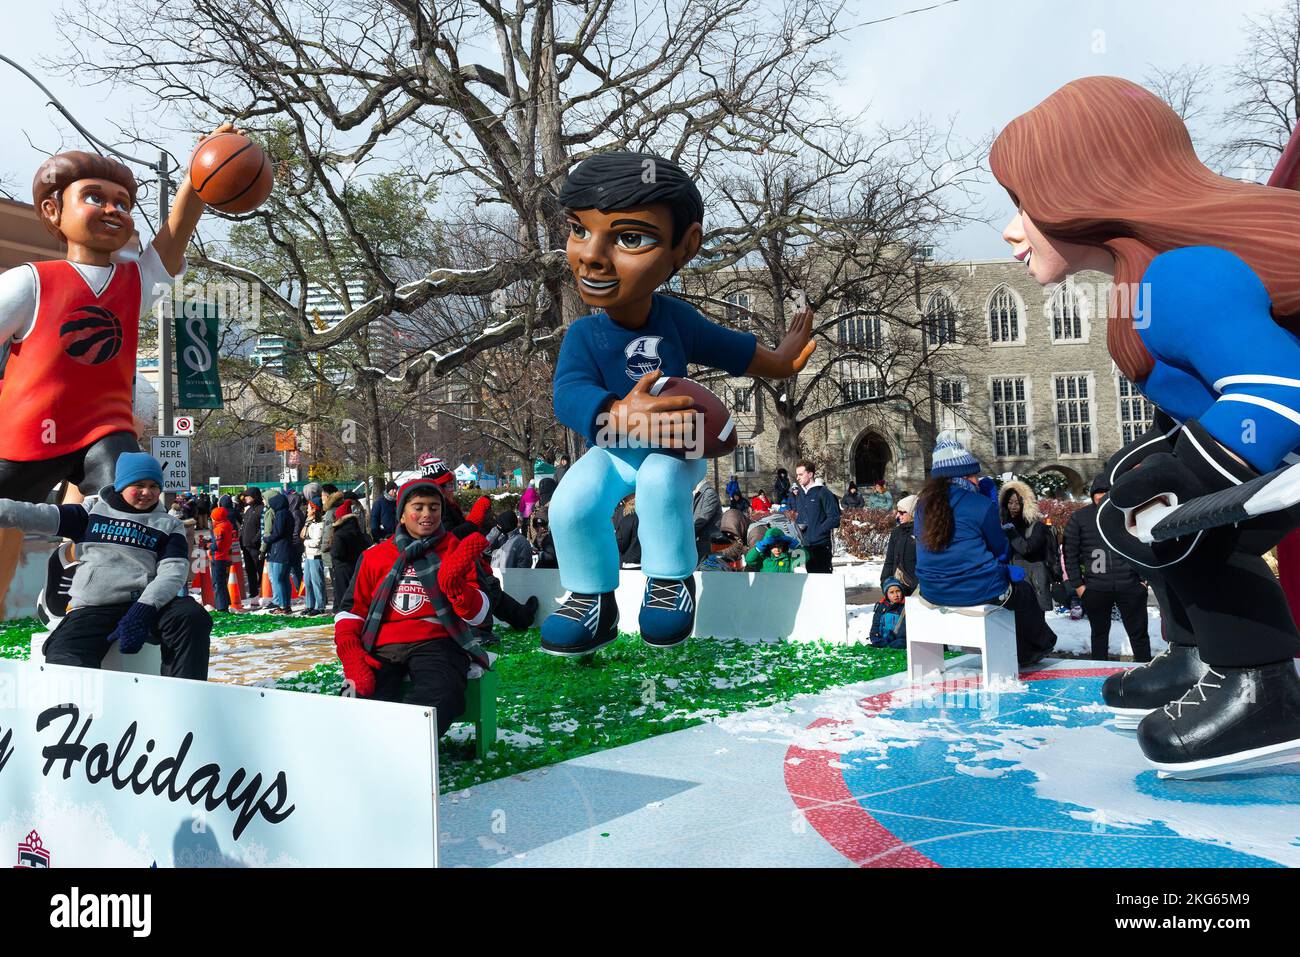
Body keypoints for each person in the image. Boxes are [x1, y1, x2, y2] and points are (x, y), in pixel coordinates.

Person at [992, 75, 1300, 775]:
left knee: (1180, 514)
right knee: (1140, 492)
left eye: (1024, 204)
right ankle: (1199, 656)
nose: (1012, 230)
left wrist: (1197, 474)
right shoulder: (1146, 287)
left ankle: (1261, 684)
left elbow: (1281, 387)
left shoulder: (1179, 281)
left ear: (1080, 190)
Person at [541, 150, 815, 655]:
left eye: (629, 237)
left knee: (659, 480)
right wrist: (615, 413)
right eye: (580, 230)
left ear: (683, 248)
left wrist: (780, 360)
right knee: (572, 502)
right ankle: (591, 598)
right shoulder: (583, 333)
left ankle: (670, 581)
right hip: (615, 444)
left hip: (675, 442)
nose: (593, 255)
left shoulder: (677, 319)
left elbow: (732, 348)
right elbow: (568, 393)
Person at [0, 129, 231, 619]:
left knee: (130, 509)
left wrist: (198, 176)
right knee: (4, 525)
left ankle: (89, 593)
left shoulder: (135, 280)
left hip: (104, 429)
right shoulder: (30, 281)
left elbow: (175, 233)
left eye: (123, 203)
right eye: (94, 197)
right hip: (25, 434)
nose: (112, 209)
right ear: (52, 212)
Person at [0, 452, 209, 678]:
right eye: (138, 484)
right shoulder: (89, 513)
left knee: (191, 616)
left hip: (146, 604)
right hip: (94, 607)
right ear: (121, 485)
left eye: (154, 486)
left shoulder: (169, 524)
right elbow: (32, 514)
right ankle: (77, 709)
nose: (147, 492)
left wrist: (144, 609)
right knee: (64, 652)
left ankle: (181, 694)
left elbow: (173, 572)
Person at [334, 478, 493, 736]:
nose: (427, 514)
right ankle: (365, 754)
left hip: (437, 641)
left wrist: (457, 588)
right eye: (418, 507)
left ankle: (406, 747)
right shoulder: (375, 556)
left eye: (433, 507)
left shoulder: (456, 550)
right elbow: (352, 610)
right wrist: (350, 651)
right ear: (402, 513)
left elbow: (482, 616)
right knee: (356, 698)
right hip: (382, 644)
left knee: (442, 694)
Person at [912, 433, 1056, 666]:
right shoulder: (979, 504)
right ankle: (1036, 649)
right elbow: (1001, 549)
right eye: (973, 475)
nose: (977, 480)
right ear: (962, 477)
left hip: (932, 589)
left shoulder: (921, 506)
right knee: (1024, 594)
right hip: (977, 589)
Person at [1062, 474, 1151, 663]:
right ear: (1093, 494)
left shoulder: (1127, 514)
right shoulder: (1080, 518)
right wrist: (1079, 586)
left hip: (1130, 585)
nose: (1102, 496)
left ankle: (1145, 668)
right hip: (1096, 587)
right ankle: (1098, 673)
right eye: (1098, 492)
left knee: (1139, 634)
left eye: (1106, 492)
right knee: (1099, 635)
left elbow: (1144, 545)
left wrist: (1143, 580)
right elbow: (1070, 554)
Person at [998, 479, 1058, 613]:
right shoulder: (1001, 524)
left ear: (1026, 503)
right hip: (1010, 578)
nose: (1013, 506)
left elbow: (1028, 549)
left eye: (1017, 503)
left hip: (1033, 579)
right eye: (1010, 502)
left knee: (1035, 621)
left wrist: (1011, 533)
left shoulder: (1036, 526)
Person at [790, 460, 840, 574]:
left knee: (823, 581)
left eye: (801, 474)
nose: (797, 478)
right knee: (812, 579)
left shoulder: (823, 492)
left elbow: (834, 518)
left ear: (810, 474)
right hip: (807, 545)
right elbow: (802, 517)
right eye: (797, 475)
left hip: (821, 545)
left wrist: (818, 531)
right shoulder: (800, 494)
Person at [329, 497, 369, 612]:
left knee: (342, 596)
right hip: (355, 567)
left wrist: (331, 550)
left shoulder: (340, 534)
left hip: (342, 569)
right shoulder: (358, 532)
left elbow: (337, 553)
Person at [262, 491, 295, 614]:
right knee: (284, 579)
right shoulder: (288, 513)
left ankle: (282, 606)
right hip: (286, 549)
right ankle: (286, 604)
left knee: (278, 579)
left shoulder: (281, 514)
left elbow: (278, 533)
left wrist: (267, 539)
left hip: (279, 550)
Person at [880, 494, 918, 595]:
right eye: (897, 512)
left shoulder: (922, 533)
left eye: (902, 513)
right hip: (897, 588)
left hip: (917, 589)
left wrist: (917, 585)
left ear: (912, 513)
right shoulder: (896, 532)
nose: (897, 516)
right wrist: (885, 582)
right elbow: (890, 560)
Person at [300, 498, 328, 616]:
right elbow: (302, 535)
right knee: (307, 581)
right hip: (308, 555)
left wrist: (306, 543)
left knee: (317, 581)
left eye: (310, 508)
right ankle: (310, 604)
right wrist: (307, 523)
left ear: (315, 509)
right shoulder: (310, 522)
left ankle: (320, 605)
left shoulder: (320, 524)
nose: (307, 510)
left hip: (316, 555)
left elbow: (316, 542)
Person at [238, 487, 265, 602]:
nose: (245, 498)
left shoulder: (261, 509)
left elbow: (262, 528)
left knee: (260, 569)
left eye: (248, 496)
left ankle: (264, 591)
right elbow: (244, 526)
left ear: (254, 496)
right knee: (250, 570)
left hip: (255, 546)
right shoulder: (248, 510)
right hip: (246, 545)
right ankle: (253, 591)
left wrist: (255, 540)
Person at [209, 504, 236, 613]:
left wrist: (209, 546)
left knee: (217, 583)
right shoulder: (227, 525)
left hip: (218, 557)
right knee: (222, 582)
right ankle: (225, 603)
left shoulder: (219, 529)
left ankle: (221, 607)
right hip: (224, 556)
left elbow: (217, 545)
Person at [869, 578, 908, 649]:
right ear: (886, 594)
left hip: (898, 639)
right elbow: (876, 624)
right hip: (883, 638)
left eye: (898, 591)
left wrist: (891, 639)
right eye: (892, 592)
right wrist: (875, 637)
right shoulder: (881, 606)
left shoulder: (905, 607)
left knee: (900, 644)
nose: (896, 595)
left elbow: (904, 629)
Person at [692, 477, 722, 562]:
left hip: (707, 541)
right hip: (701, 540)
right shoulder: (701, 493)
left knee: (703, 568)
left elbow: (702, 518)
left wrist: (689, 533)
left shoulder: (709, 494)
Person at [616, 494, 641, 566]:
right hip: (647, 564)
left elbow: (621, 544)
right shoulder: (648, 512)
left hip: (629, 563)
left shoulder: (627, 514)